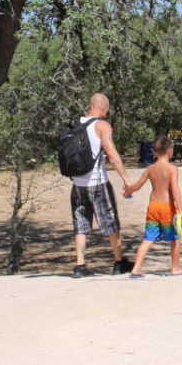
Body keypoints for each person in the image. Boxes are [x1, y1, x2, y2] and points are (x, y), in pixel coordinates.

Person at [69, 93, 134, 277]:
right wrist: (126, 180)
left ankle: (80, 265)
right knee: (110, 222)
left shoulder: (75, 124)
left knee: (80, 223)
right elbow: (112, 156)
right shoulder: (102, 126)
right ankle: (119, 261)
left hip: (77, 184)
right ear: (103, 108)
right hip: (97, 182)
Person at [122, 135, 182, 277]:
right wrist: (180, 209)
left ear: (154, 152)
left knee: (148, 238)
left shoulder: (150, 168)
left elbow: (137, 185)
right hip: (167, 208)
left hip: (153, 207)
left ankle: (136, 268)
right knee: (175, 238)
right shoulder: (172, 169)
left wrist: (128, 190)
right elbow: (175, 189)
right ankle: (175, 268)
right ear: (170, 151)